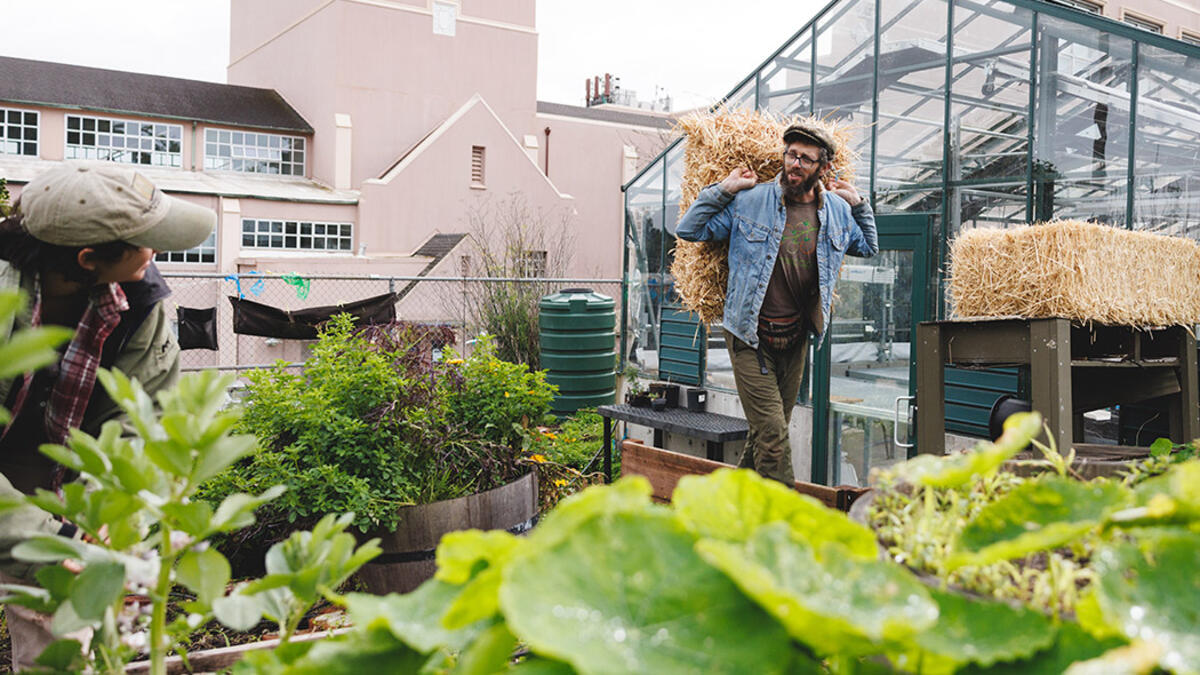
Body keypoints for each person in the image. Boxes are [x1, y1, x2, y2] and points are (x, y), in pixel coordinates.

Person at [0, 163, 216, 670]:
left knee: (64, 631)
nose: (155, 253)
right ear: (87, 259)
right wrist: (42, 538)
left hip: (57, 464)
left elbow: (140, 427)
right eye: (144, 242)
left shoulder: (141, 303)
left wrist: (101, 529)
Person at [676, 123, 877, 485]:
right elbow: (690, 229)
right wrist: (724, 189)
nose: (795, 164)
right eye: (791, 155)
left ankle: (733, 505)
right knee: (774, 440)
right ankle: (784, 523)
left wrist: (859, 204)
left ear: (824, 168)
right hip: (750, 336)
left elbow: (867, 246)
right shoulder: (751, 200)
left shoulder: (836, 210)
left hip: (796, 340)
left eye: (805, 159)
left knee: (767, 434)